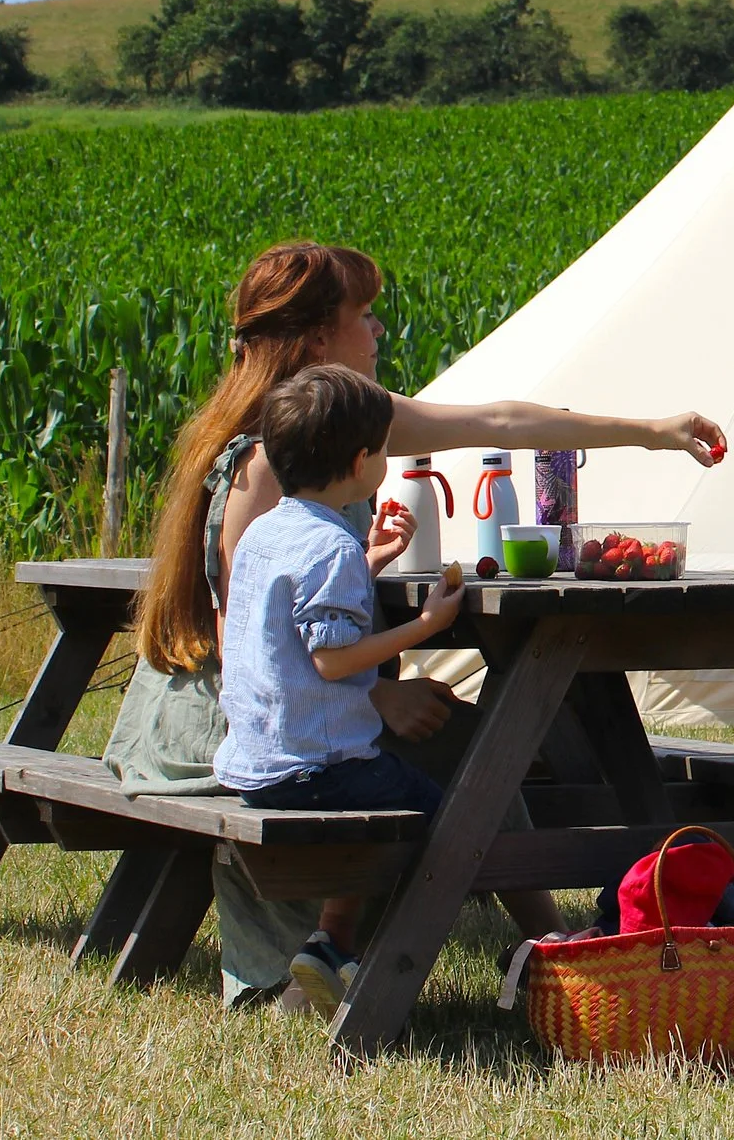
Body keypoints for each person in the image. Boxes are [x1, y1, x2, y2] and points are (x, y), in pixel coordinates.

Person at [103, 239, 728, 1009]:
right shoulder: (268, 464)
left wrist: (653, 430)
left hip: (299, 702)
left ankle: (536, 938)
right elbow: (250, 647)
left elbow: (498, 418)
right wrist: (378, 697)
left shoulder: (332, 427)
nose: (379, 331)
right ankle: (518, 946)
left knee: (473, 740)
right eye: (364, 314)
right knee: (473, 747)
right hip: (242, 723)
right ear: (318, 340)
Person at [214, 366, 466, 1011]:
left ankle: (331, 945)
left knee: (377, 787)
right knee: (446, 816)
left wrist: (368, 560)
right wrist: (426, 626)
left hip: (254, 761)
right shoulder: (332, 548)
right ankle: (385, 967)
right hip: (313, 768)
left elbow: (298, 617)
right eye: (382, 450)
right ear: (361, 463)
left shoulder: (267, 531)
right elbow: (331, 660)